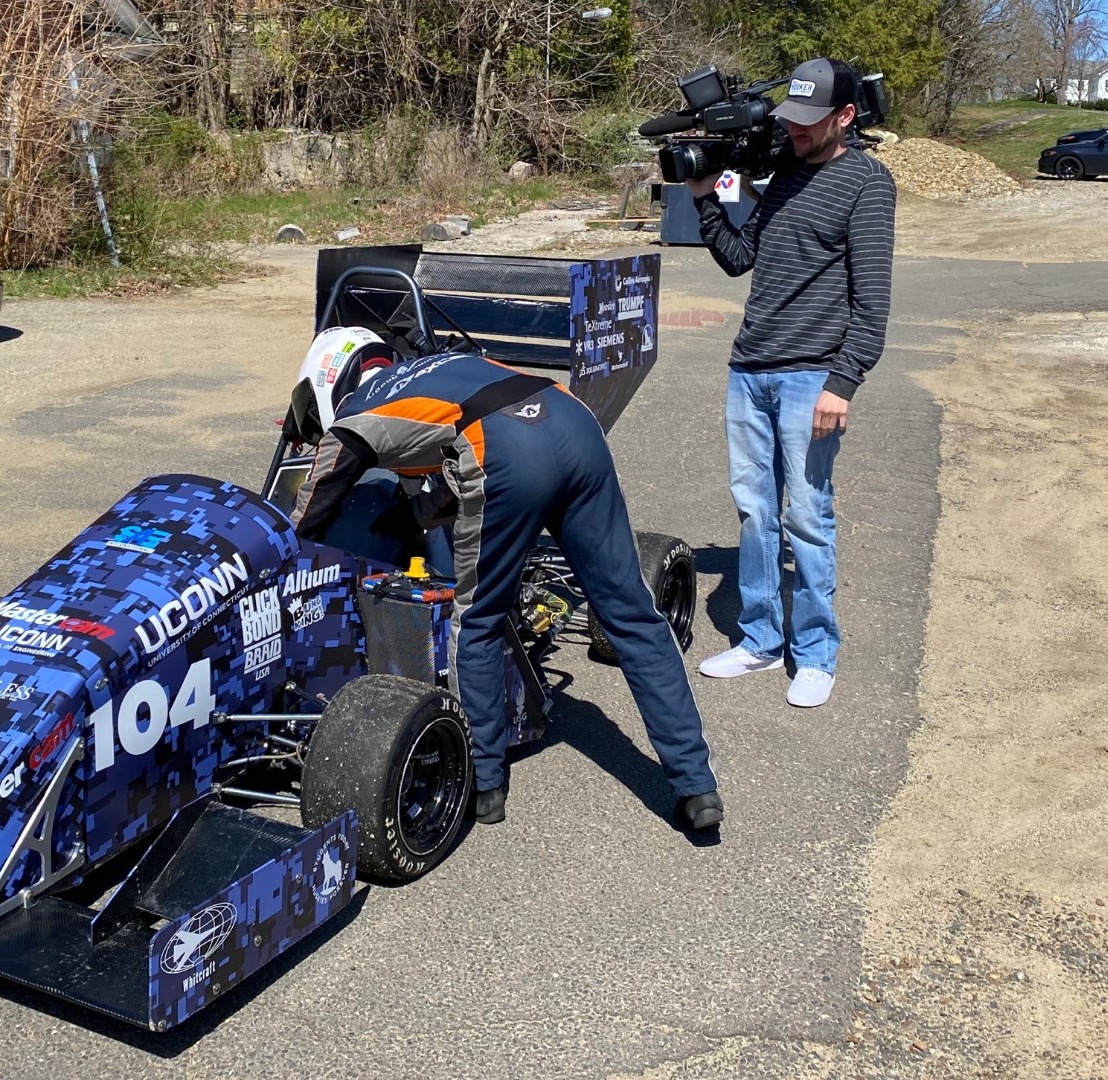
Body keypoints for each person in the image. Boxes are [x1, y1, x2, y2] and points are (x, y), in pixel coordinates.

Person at [287, 349, 724, 831]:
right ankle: (697, 788)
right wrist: (418, 513)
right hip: (572, 418)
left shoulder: (353, 417)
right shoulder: (428, 370)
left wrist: (280, 554)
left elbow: (315, 501)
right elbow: (457, 459)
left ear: (329, 391)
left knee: (477, 622)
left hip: (505, 449)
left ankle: (486, 787)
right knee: (632, 614)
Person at [684, 57, 896, 708]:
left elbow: (872, 302)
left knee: (807, 518)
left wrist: (844, 382)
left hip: (812, 378)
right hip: (750, 370)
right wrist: (704, 198)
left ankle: (814, 655)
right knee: (755, 513)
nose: (796, 132)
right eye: (791, 121)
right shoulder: (781, 179)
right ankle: (759, 640)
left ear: (845, 115)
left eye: (810, 122)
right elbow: (739, 257)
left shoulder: (867, 183)